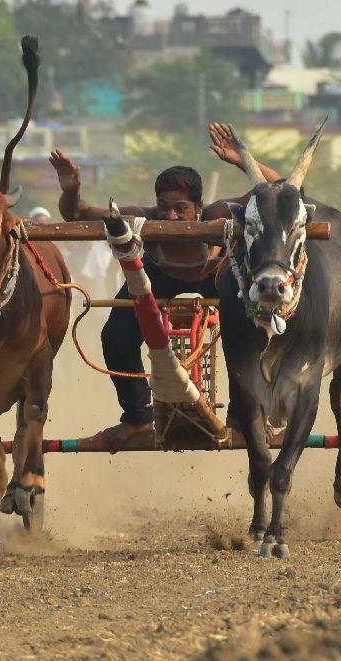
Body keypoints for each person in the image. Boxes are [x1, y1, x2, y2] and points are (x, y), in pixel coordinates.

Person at [49, 123, 282, 449]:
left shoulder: (220, 214)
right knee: (114, 336)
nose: (170, 216)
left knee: (248, 336)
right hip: (158, 277)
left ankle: (243, 417)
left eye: (180, 208)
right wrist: (71, 190)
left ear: (198, 207)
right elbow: (76, 214)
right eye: (164, 207)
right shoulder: (142, 219)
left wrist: (243, 159)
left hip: (217, 277)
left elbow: (277, 189)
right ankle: (137, 418)